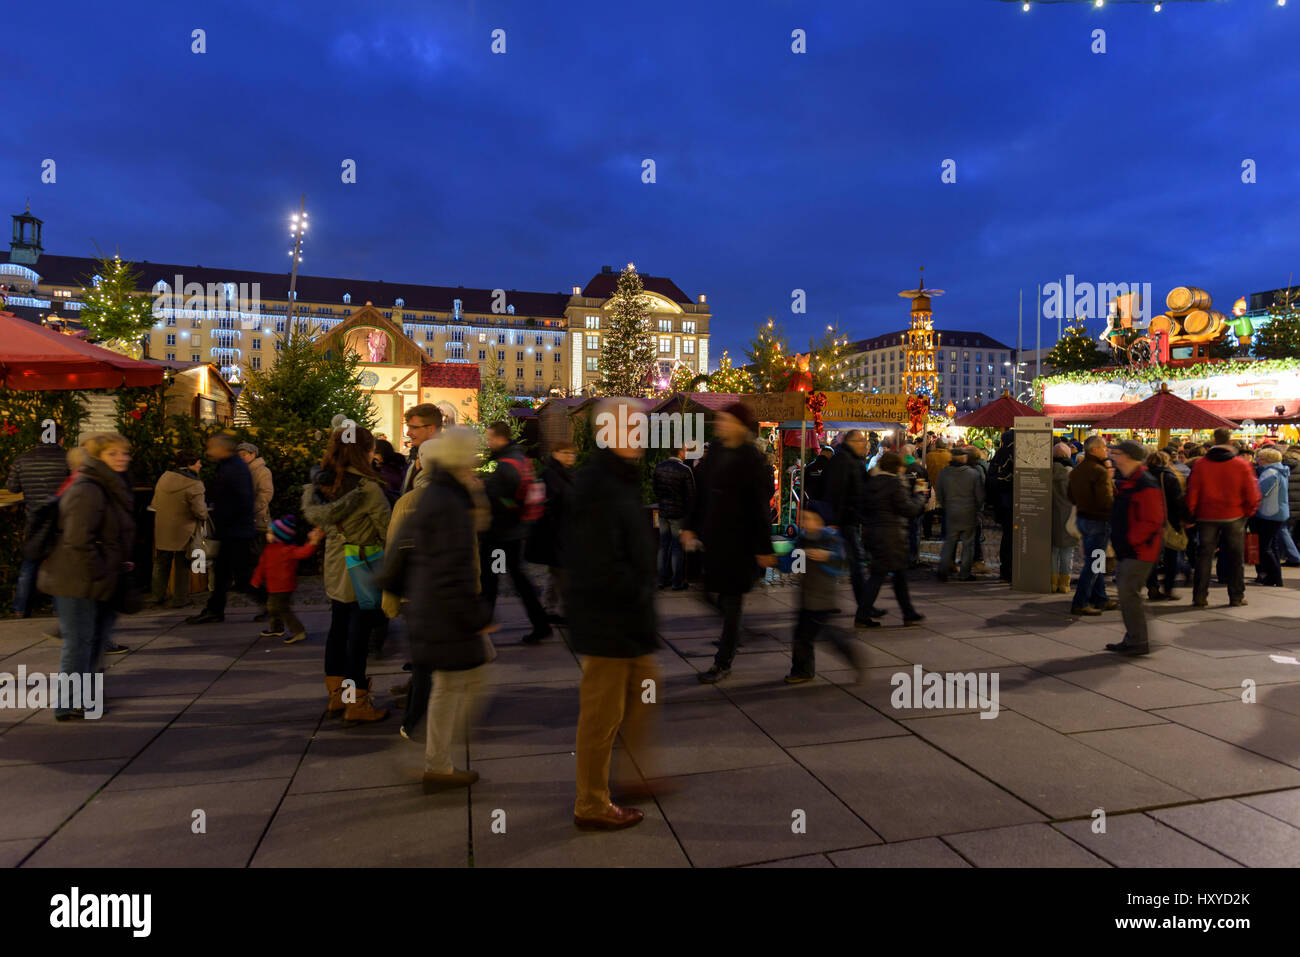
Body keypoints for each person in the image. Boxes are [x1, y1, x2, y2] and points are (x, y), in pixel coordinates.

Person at [380, 427, 497, 792]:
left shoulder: (437, 494)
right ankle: (434, 757)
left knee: (447, 684)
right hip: (448, 609)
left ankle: (436, 761)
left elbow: (398, 550)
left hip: (431, 605)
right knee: (470, 679)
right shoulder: (451, 501)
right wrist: (477, 618)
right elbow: (455, 567)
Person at [567, 399, 661, 829]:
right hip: (609, 618)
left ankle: (630, 774)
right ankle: (591, 802)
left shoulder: (620, 477)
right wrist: (631, 593)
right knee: (601, 714)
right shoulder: (598, 484)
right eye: (633, 428)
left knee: (646, 688)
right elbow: (596, 561)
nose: (641, 435)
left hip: (629, 615)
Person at [37, 433, 137, 720]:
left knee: (94, 642)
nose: (122, 458)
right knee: (80, 643)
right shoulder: (88, 489)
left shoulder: (109, 485)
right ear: (97, 457)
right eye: (113, 454)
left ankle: (86, 700)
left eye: (124, 452)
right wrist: (101, 571)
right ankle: (68, 703)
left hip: (100, 577)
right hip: (78, 579)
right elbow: (78, 540)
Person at [302, 426, 392, 723]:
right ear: (364, 451)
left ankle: (337, 697)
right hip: (363, 564)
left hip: (335, 563)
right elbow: (386, 530)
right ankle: (357, 704)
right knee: (359, 635)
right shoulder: (366, 488)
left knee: (338, 628)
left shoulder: (322, 483)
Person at [684, 402, 776, 684]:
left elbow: (759, 507)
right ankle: (736, 632)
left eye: (725, 419)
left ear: (740, 425)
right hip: (715, 538)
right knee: (706, 593)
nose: (720, 424)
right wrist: (690, 527)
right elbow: (701, 493)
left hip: (740, 543)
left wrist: (763, 548)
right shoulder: (718, 453)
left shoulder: (751, 459)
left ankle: (722, 661)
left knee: (732, 601)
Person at [382, 437, 443, 739]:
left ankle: (416, 720)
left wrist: (390, 600)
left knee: (425, 662)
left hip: (416, 594)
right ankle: (420, 720)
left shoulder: (408, 501)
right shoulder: (457, 498)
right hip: (444, 593)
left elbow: (393, 550)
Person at [481, 422, 551, 644]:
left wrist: (483, 492)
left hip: (499, 534)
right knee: (515, 578)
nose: (488, 442)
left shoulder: (505, 464)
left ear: (499, 438)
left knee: (491, 579)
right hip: (512, 532)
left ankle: (483, 625)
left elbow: (498, 499)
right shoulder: (519, 457)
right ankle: (540, 624)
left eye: (489, 438)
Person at [785, 500, 863, 682]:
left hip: (823, 599)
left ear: (821, 521)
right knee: (802, 636)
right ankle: (803, 670)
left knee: (816, 635)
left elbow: (842, 563)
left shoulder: (829, 539)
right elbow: (794, 564)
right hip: (806, 597)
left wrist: (827, 556)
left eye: (811, 519)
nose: (806, 522)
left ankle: (848, 652)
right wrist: (776, 561)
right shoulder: (802, 541)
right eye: (804, 518)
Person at [1187, 427, 1260, 608]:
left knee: (1204, 556)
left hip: (1206, 515)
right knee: (1235, 557)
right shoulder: (1241, 464)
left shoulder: (1201, 464)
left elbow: (1193, 491)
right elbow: (1252, 493)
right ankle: (1236, 596)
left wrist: (1191, 512)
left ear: (1213, 440)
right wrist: (1248, 512)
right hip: (1234, 515)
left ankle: (1200, 597)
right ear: (1230, 441)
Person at [187, 434, 255, 624]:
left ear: (222, 448)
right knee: (223, 573)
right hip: (233, 530)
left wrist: (224, 521)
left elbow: (238, 500)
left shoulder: (234, 469)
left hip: (235, 531)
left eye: (211, 447)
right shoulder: (230, 467)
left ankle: (273, 605)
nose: (208, 452)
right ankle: (214, 609)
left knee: (241, 578)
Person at [1104, 441, 1165, 656]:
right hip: (1130, 549)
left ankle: (1138, 640)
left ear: (1128, 456)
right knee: (1128, 595)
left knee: (1129, 595)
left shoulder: (1144, 482)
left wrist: (1131, 542)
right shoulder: (1132, 480)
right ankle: (1134, 638)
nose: (1113, 456)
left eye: (1117, 453)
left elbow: (1152, 520)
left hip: (1139, 551)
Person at [6, 424, 70, 617]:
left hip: (35, 517)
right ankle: (59, 609)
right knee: (59, 564)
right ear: (60, 439)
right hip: (61, 519)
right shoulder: (67, 459)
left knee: (30, 563)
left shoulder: (22, 460)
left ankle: (20, 608)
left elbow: (12, 487)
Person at [858, 451, 926, 623]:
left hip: (874, 534)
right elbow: (908, 509)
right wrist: (919, 495)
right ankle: (863, 615)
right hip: (891, 536)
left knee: (897, 575)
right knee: (879, 575)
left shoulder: (872, 482)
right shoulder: (894, 484)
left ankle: (908, 612)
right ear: (897, 467)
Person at [825, 429, 875, 626]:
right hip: (845, 519)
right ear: (852, 441)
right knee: (855, 563)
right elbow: (837, 491)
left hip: (850, 518)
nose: (865, 444)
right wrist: (837, 519)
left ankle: (865, 605)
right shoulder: (844, 460)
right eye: (862, 440)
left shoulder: (853, 460)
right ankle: (864, 608)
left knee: (853, 563)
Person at [250, 516, 324, 644]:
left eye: (270, 532)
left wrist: (312, 543)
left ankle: (298, 630)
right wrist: (256, 579)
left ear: (278, 536)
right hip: (274, 585)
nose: (267, 535)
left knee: (279, 608)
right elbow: (262, 566)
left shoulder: (287, 550)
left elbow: (303, 553)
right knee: (274, 607)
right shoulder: (270, 549)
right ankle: (277, 627)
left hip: (284, 586)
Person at [149, 450, 208, 608]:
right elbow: (200, 511)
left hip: (163, 527)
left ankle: (156, 596)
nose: (200, 465)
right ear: (190, 464)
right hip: (184, 529)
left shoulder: (164, 477)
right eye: (198, 462)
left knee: (161, 562)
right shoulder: (195, 484)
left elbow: (155, 503)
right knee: (183, 564)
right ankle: (180, 598)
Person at [526, 441, 578, 617]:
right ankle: (564, 610)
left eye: (572, 453)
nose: (570, 456)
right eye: (566, 453)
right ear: (555, 453)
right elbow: (540, 502)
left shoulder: (569, 474)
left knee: (557, 572)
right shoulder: (548, 474)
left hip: (565, 531)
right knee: (562, 572)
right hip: (554, 532)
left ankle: (550, 608)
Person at [1067, 435, 1117, 616]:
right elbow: (1106, 500)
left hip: (1083, 519)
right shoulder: (1099, 471)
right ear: (1094, 450)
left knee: (1094, 560)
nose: (1106, 450)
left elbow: (1070, 496)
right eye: (1104, 447)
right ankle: (1080, 601)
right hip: (1098, 522)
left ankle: (1100, 598)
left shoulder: (1078, 469)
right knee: (1094, 564)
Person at [935, 447, 984, 582]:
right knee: (968, 544)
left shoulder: (944, 473)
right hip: (968, 511)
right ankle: (964, 573)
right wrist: (978, 508)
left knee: (950, 542)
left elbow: (939, 493)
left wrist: (946, 505)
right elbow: (979, 496)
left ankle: (942, 570)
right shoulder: (973, 474)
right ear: (964, 458)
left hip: (951, 511)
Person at [1145, 450, 1188, 601]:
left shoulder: (1143, 476)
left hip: (1147, 521)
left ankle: (1152, 587)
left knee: (1151, 558)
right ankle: (1168, 587)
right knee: (1172, 556)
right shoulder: (1169, 476)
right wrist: (1183, 519)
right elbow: (1178, 501)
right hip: (1167, 521)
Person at [651, 445, 695, 591]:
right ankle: (677, 582)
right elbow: (691, 494)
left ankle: (661, 580)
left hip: (663, 512)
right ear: (680, 452)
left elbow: (655, 489)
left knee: (663, 545)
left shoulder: (659, 467)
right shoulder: (685, 470)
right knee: (677, 547)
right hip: (678, 513)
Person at [1250, 447, 1290, 587]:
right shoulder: (1281, 471)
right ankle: (1275, 577)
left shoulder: (1270, 473)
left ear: (1267, 460)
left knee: (1265, 547)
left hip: (1270, 513)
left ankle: (1274, 577)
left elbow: (1260, 492)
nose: (1257, 461)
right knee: (1272, 546)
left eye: (1260, 458)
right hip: (1279, 512)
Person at [986, 430, 1016, 583]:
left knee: (1007, 536)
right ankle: (1008, 571)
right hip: (1010, 500)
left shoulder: (998, 454)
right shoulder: (1012, 453)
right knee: (1011, 537)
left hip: (1000, 501)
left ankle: (1005, 570)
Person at [1050, 442, 1078, 594]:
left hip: (1051, 515)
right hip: (1068, 516)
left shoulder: (1047, 472)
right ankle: (1064, 584)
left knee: (1053, 551)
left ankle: (1053, 583)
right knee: (1067, 551)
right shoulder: (1071, 472)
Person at [400, 404, 444, 494]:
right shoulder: (416, 455)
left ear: (431, 429)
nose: (408, 433)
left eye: (413, 427)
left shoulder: (443, 461)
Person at [901, 444, 928, 567]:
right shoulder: (919, 469)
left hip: (901, 507)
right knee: (914, 533)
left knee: (903, 533)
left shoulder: (898, 468)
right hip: (915, 507)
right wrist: (923, 502)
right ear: (913, 453)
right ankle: (913, 558)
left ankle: (904, 557)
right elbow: (923, 489)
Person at [1278, 446, 1300, 567]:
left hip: (1286, 503)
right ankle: (1290, 555)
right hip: (1297, 503)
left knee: (1283, 530)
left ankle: (1293, 556)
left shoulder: (1282, 468)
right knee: (1287, 531)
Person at [371, 439, 408, 504]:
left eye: (375, 453)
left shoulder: (388, 472)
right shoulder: (396, 467)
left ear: (384, 453)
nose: (372, 456)